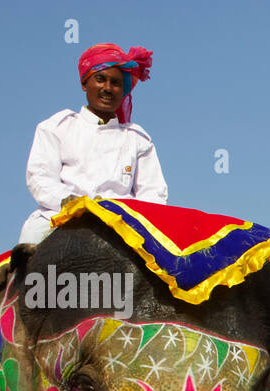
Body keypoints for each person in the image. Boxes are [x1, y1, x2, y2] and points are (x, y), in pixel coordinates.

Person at [18, 43, 168, 245]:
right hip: (60, 215)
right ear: (84, 83)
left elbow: (153, 195)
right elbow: (40, 178)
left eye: (115, 83)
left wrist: (120, 213)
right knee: (28, 252)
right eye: (100, 79)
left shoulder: (137, 139)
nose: (107, 88)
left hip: (122, 222)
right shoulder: (56, 127)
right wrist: (75, 204)